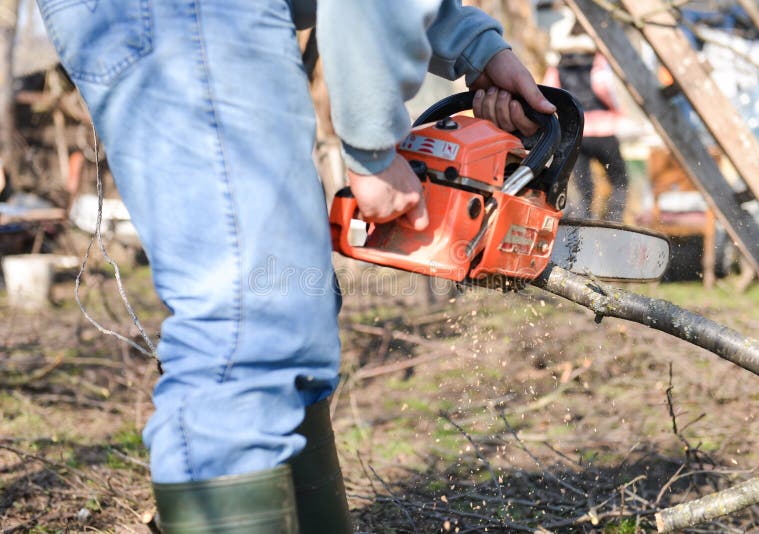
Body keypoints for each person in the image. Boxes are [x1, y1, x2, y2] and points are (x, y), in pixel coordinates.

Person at [36, 0, 554, 532]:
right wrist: (374, 148)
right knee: (251, 323)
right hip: (193, 16)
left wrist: (475, 45)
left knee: (292, 303)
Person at [543, 38, 628, 221]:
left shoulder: (557, 67)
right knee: (619, 179)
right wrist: (618, 110)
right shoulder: (597, 63)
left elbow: (550, 94)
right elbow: (604, 88)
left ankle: (583, 225)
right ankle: (615, 219)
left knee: (583, 185)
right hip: (603, 131)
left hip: (577, 132)